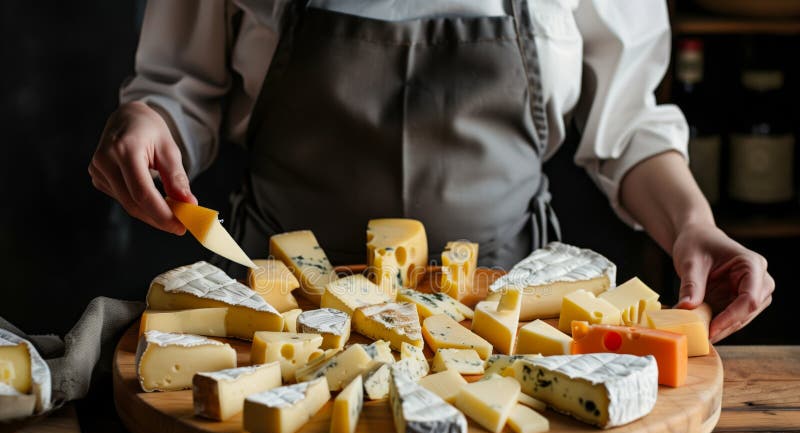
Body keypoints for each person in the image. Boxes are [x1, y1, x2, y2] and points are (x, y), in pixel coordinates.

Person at [89, 0, 773, 343]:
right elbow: (179, 87)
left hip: (507, 343)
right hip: (276, 332)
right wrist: (153, 121)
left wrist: (692, 222)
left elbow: (624, 124)